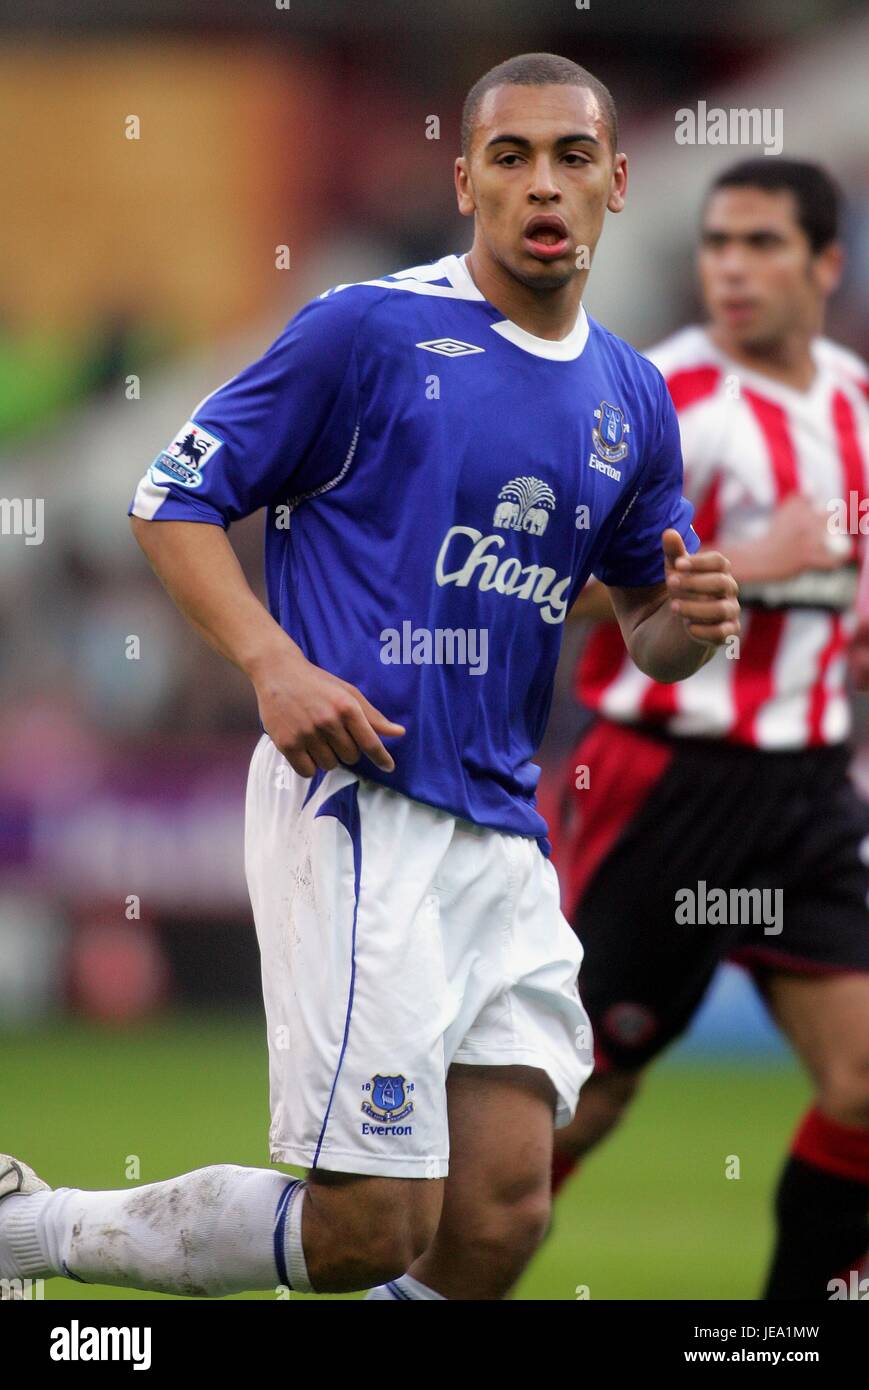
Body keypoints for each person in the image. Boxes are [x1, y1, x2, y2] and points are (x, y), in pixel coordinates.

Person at [0, 53, 738, 1302]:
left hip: (503, 834)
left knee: (502, 1214)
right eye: (508, 158)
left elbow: (645, 623)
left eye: (569, 157)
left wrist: (689, 621)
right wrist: (272, 663)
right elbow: (171, 497)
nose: (540, 185)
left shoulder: (630, 395)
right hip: (361, 806)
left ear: (617, 180)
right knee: (371, 1228)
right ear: (464, 180)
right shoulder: (367, 331)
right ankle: (34, 1230)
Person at [550, 159, 869, 1301]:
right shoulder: (656, 395)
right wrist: (751, 564)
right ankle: (442, 1283)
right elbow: (545, 575)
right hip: (662, 781)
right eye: (716, 243)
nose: (730, 267)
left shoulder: (853, 401)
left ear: (826, 263)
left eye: (762, 244)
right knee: (587, 1091)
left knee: (862, 1083)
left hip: (807, 787)